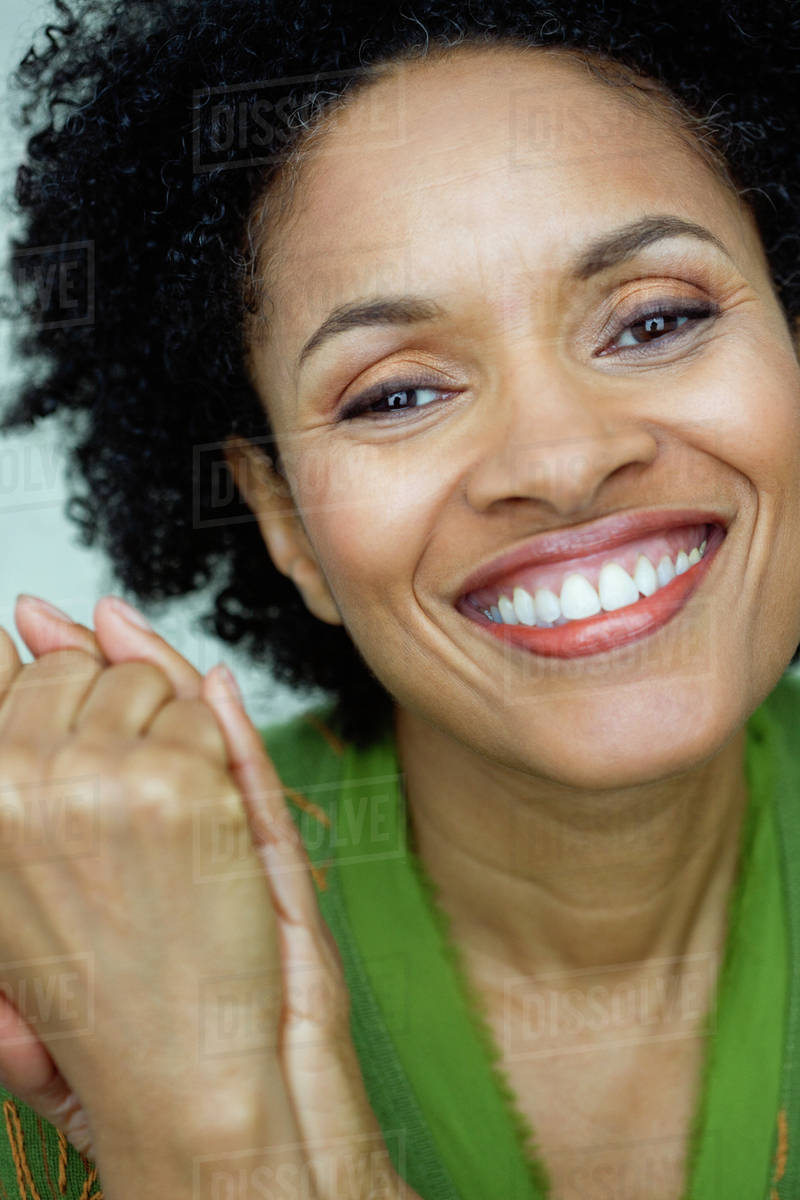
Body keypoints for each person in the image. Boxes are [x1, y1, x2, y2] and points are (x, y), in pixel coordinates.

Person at [1, 1, 799, 1197]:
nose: (560, 461)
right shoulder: (70, 968)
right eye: (394, 396)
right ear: (280, 519)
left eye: (655, 320)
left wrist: (218, 1158)